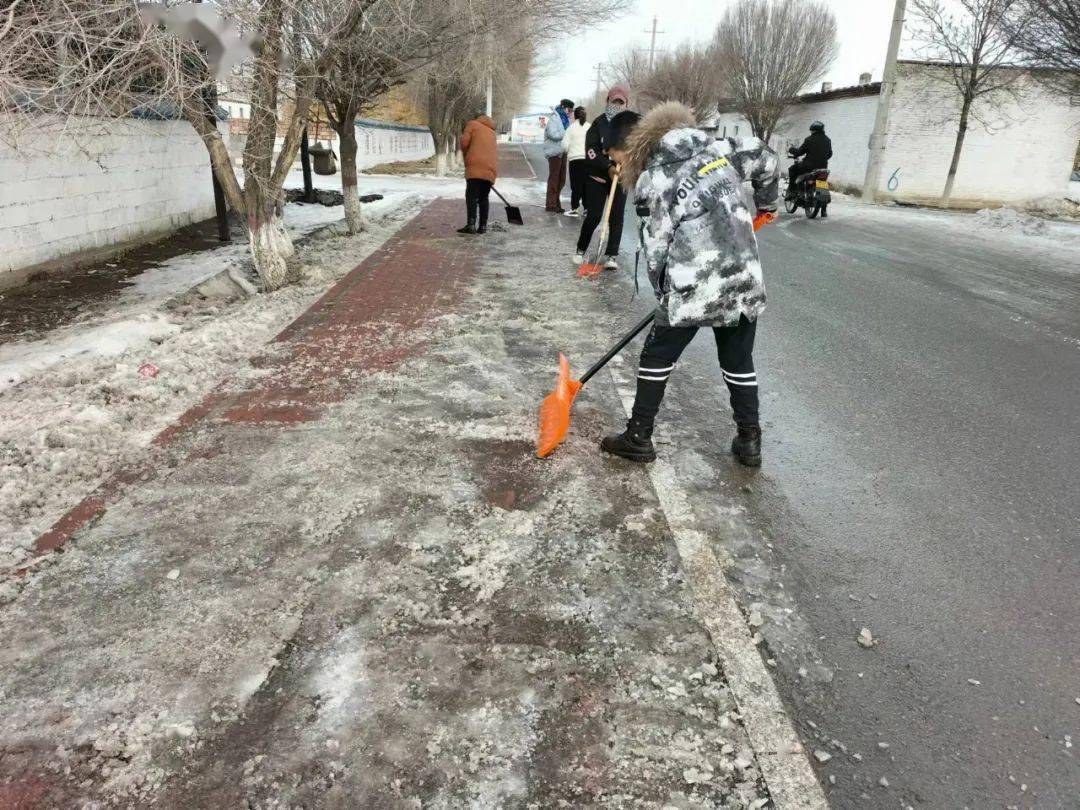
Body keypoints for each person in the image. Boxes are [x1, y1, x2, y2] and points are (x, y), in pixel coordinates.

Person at [599, 101, 779, 467]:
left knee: (657, 356)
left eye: (613, 155)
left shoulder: (654, 180)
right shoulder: (718, 148)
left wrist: (665, 293)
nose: (614, 164)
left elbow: (656, 248)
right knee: (738, 360)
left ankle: (638, 436)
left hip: (692, 284)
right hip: (743, 275)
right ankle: (749, 442)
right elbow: (767, 157)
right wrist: (767, 203)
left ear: (631, 145)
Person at [574, 85, 632, 270]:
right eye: (614, 101)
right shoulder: (598, 125)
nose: (617, 105)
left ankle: (611, 255)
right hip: (597, 177)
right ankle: (580, 250)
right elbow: (591, 151)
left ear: (626, 104)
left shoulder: (630, 125)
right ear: (607, 101)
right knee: (595, 215)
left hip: (621, 176)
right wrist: (607, 166)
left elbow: (636, 150)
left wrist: (627, 161)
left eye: (620, 102)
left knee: (616, 216)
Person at [458, 112, 498, 235]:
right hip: (490, 168)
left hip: (475, 165)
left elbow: (464, 143)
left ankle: (471, 224)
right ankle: (483, 226)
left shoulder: (472, 124)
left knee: (471, 196)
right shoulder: (492, 132)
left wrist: (467, 154)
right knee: (483, 197)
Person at [786, 120, 832, 214]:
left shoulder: (809, 139)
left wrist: (791, 149)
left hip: (808, 166)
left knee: (792, 169)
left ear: (813, 130)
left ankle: (791, 190)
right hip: (823, 167)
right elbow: (829, 154)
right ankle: (823, 210)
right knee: (822, 183)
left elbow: (799, 152)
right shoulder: (828, 140)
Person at [544, 99, 574, 213]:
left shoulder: (566, 120)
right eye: (569, 110)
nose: (570, 112)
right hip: (554, 153)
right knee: (554, 178)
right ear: (563, 107)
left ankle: (556, 203)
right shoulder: (554, 118)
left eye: (571, 111)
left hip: (563, 152)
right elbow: (552, 134)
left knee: (561, 179)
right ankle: (550, 204)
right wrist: (566, 134)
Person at [564, 106, 590, 217]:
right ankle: (587, 209)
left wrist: (569, 150)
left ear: (575, 115)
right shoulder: (590, 127)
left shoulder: (571, 128)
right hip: (588, 160)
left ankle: (574, 209)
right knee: (586, 185)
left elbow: (564, 145)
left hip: (575, 160)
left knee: (576, 186)